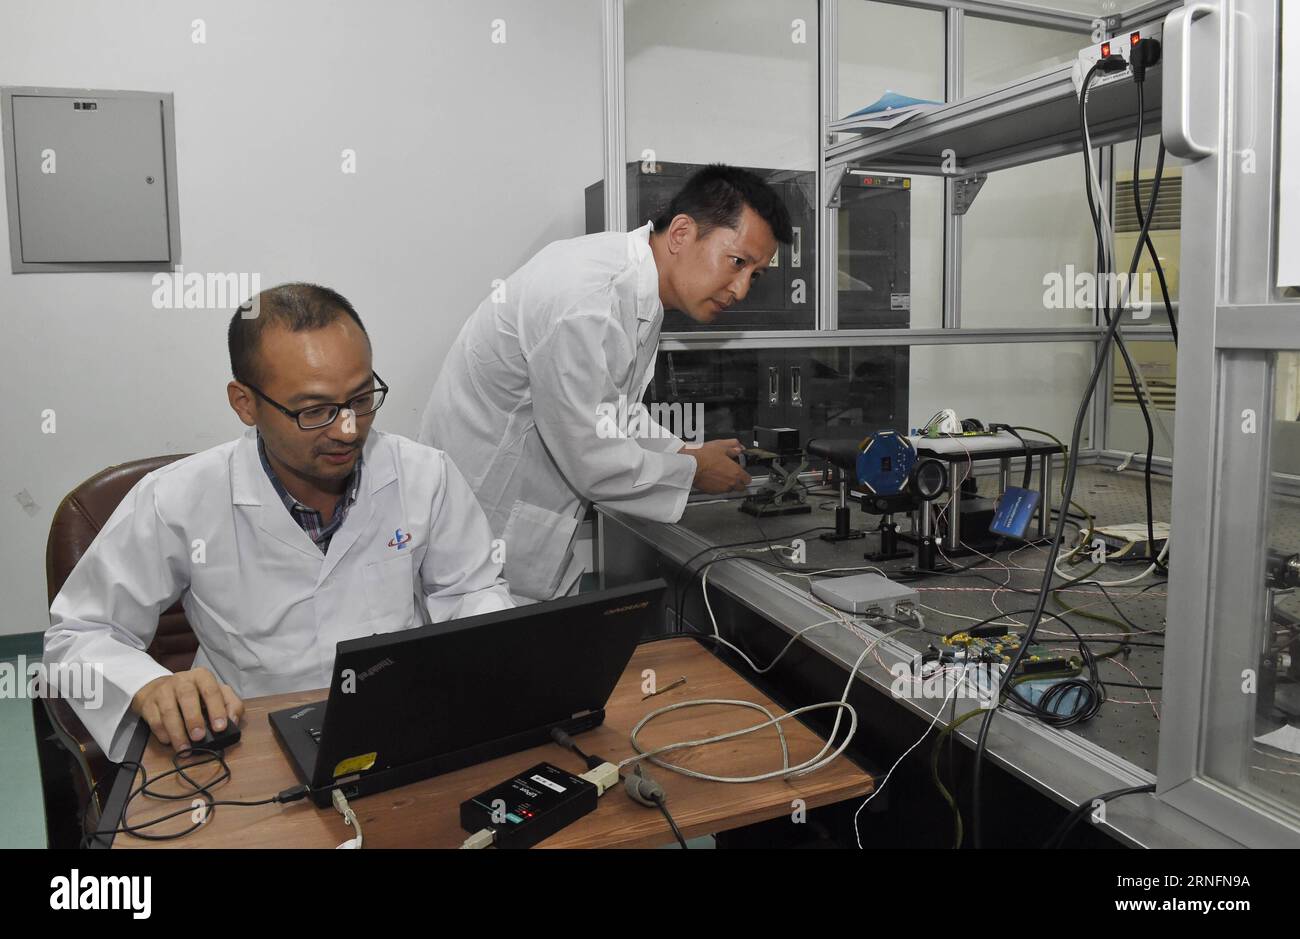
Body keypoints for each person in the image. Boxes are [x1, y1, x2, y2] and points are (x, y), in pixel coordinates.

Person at [45, 283, 512, 761]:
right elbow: (79, 635)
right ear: (244, 403)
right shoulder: (177, 499)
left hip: (402, 726)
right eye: (315, 411)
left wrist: (490, 647)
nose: (348, 429)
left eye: (361, 398)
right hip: (251, 748)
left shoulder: (423, 474)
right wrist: (147, 686)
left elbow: (470, 591)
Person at [420, 164, 793, 601]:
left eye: (756, 274)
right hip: (479, 548)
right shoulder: (585, 298)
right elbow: (589, 452)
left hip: (522, 542)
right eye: (737, 262)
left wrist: (684, 451)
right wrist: (692, 471)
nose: (742, 289)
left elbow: (611, 410)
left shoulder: (635, 291)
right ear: (681, 233)